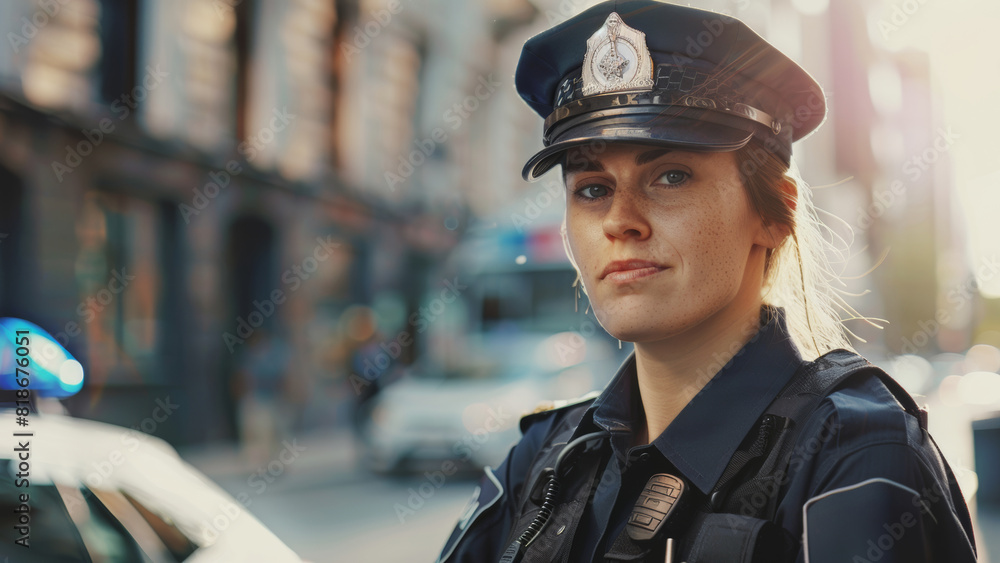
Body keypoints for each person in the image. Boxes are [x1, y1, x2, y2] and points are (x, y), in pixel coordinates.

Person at [436, 1, 978, 562]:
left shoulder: (855, 455)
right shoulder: (545, 456)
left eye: (671, 176)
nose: (621, 220)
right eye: (592, 189)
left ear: (773, 214)